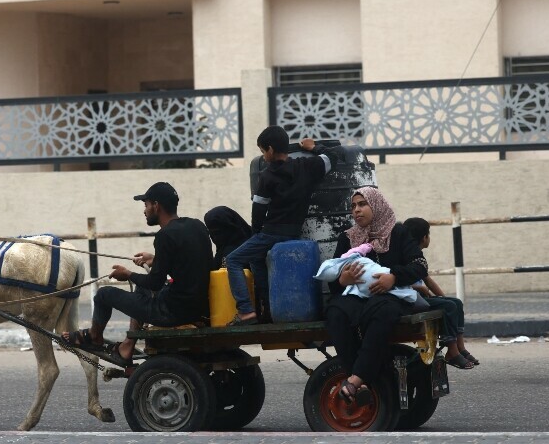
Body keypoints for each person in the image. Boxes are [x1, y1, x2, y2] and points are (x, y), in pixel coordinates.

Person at [62, 182, 214, 365]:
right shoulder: (196, 226)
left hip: (173, 311)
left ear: (156, 206)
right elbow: (188, 264)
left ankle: (94, 336)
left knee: (104, 294)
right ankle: (127, 346)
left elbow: (155, 283)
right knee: (141, 287)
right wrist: (155, 260)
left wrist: (128, 274)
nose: (144, 211)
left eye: (146, 205)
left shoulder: (165, 235)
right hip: (198, 306)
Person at [226, 126, 342, 325]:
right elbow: (333, 156)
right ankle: (268, 310)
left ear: (270, 150)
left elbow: (259, 211)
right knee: (256, 260)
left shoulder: (267, 176)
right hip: (294, 233)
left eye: (263, 151)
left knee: (233, 260)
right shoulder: (307, 167)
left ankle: (246, 311)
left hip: (272, 232)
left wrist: (256, 234)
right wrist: (314, 146)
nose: (263, 155)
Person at [325, 187, 428, 406]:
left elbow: (420, 266)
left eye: (362, 204)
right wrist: (343, 280)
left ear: (376, 205)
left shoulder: (398, 233)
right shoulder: (348, 237)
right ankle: (358, 381)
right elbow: (334, 278)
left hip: (390, 295)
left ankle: (355, 379)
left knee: (383, 311)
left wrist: (394, 276)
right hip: (356, 297)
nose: (356, 210)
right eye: (353, 206)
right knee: (336, 312)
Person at [403, 217, 479, 369]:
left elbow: (429, 281)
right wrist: (420, 289)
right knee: (449, 306)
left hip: (421, 299)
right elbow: (401, 281)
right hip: (410, 300)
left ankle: (460, 347)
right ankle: (452, 351)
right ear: (424, 237)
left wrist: (444, 298)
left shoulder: (416, 255)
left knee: (455, 303)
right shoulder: (405, 255)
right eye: (428, 234)